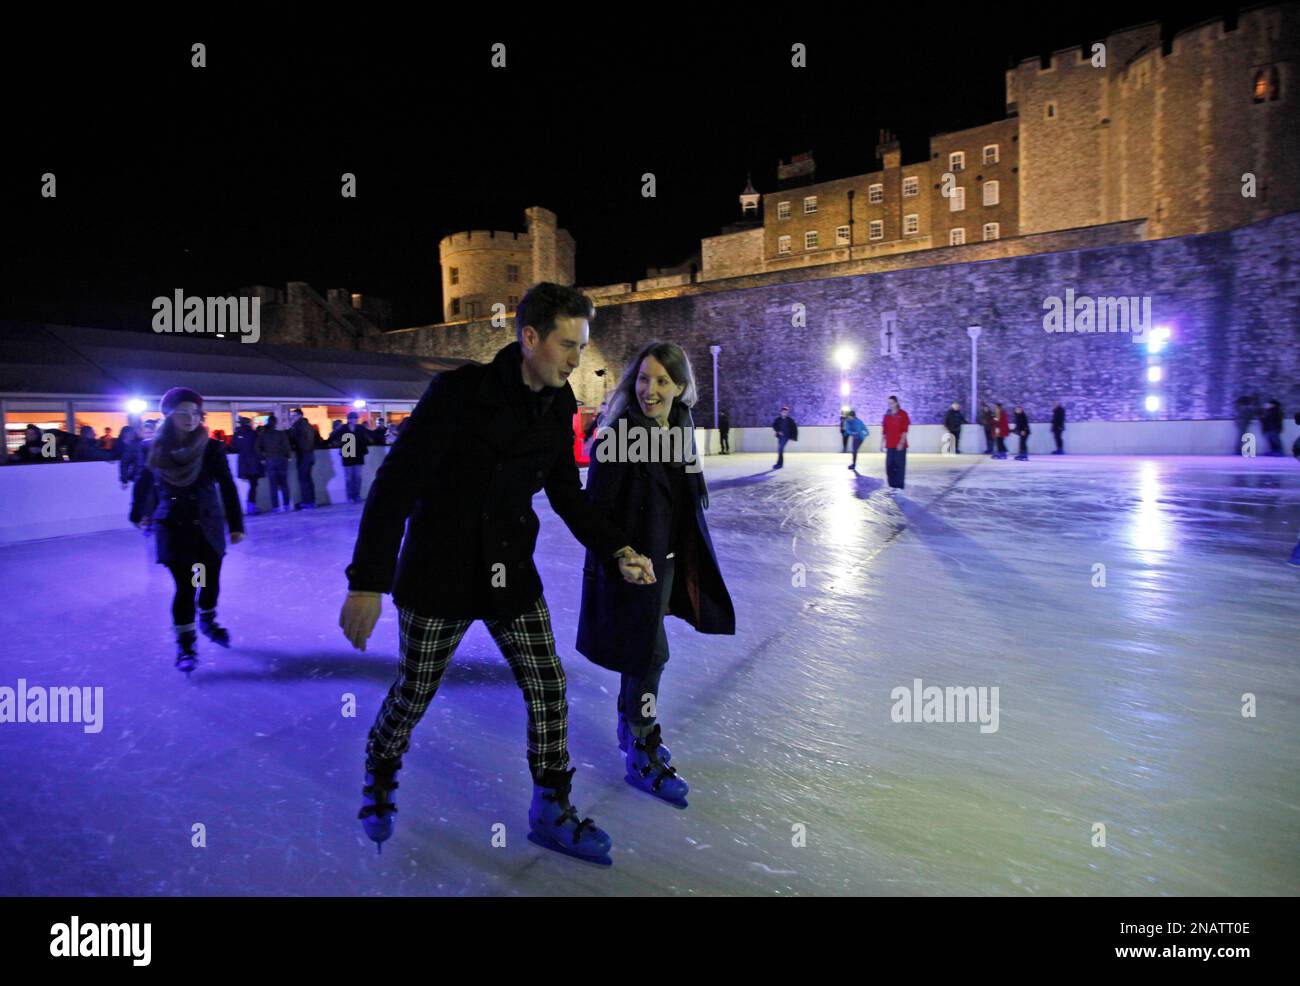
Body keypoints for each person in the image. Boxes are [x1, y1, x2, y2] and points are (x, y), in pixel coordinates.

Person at [338, 282, 655, 863]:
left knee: (548, 687)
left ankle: (550, 806)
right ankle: (380, 768)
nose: (576, 360)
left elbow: (566, 492)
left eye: (580, 346)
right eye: (566, 345)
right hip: (439, 575)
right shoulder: (458, 393)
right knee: (414, 693)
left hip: (510, 572)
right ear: (530, 338)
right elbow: (395, 484)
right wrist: (367, 581)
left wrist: (616, 548)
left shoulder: (559, 406)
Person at [577, 341, 735, 808]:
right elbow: (595, 511)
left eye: (662, 380)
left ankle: (632, 727)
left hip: (670, 560)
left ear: (680, 387)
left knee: (645, 654)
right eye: (643, 379)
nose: (650, 389)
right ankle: (641, 748)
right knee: (649, 655)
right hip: (635, 567)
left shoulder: (681, 428)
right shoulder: (618, 436)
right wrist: (621, 555)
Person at [129, 388, 244, 674]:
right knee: (185, 587)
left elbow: (227, 486)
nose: (191, 419)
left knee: (206, 581)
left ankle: (207, 617)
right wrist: (139, 513)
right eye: (184, 413)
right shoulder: (151, 448)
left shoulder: (212, 448)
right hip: (173, 526)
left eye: (195, 413)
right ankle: (186, 645)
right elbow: (144, 482)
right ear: (168, 416)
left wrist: (236, 524)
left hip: (206, 525)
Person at [256, 414, 292, 512]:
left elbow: (257, 447)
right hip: (282, 460)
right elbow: (287, 446)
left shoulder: (263, 435)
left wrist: (262, 458)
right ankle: (286, 505)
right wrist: (288, 457)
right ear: (276, 423)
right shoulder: (281, 434)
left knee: (273, 485)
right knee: (284, 483)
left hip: (270, 460)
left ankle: (275, 507)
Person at [334, 410, 371, 504]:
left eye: (355, 418)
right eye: (352, 418)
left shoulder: (360, 428)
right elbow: (334, 436)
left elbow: (370, 434)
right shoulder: (343, 428)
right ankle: (350, 496)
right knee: (349, 477)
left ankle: (357, 495)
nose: (354, 420)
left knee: (357, 477)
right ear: (349, 419)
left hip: (358, 454)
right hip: (347, 454)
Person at [230, 417, 265, 515]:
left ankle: (251, 506)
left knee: (252, 485)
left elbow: (233, 447)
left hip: (244, 464)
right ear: (248, 424)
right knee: (253, 486)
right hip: (254, 463)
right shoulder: (253, 434)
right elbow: (258, 447)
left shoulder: (237, 434)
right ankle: (251, 507)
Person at [288, 408, 321, 509]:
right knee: (308, 478)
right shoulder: (310, 426)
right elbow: (318, 440)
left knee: (303, 479)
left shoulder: (297, 426)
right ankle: (312, 500)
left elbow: (291, 439)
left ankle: (307, 502)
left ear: (299, 416)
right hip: (310, 455)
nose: (292, 418)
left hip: (303, 455)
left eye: (294, 416)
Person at [880, 395, 910, 490]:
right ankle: (892, 485)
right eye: (889, 403)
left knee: (899, 465)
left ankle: (899, 486)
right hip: (890, 445)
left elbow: (905, 430)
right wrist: (882, 443)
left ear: (896, 403)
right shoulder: (886, 416)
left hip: (900, 445)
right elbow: (884, 431)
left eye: (892, 403)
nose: (890, 405)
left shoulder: (903, 414)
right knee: (889, 465)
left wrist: (901, 442)